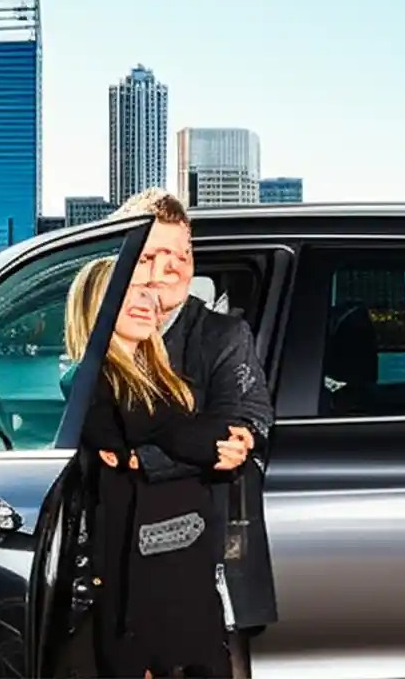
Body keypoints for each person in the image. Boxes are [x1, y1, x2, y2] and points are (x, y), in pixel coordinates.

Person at [111, 188, 277, 676]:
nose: (173, 266)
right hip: (122, 549)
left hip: (208, 542)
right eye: (153, 255)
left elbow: (242, 421)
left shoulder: (223, 335)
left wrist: (141, 458)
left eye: (183, 253)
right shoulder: (106, 335)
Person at [65, 256, 248, 677]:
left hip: (184, 557)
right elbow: (162, 438)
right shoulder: (91, 376)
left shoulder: (162, 378)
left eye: (148, 291)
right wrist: (207, 445)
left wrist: (187, 444)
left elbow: (188, 436)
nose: (146, 300)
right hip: (138, 567)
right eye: (130, 291)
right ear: (96, 302)